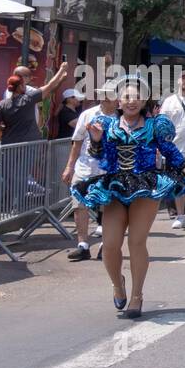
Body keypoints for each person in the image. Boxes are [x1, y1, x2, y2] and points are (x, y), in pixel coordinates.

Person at [76, 78, 185, 317]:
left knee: (136, 242)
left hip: (145, 186)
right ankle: (117, 284)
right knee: (110, 244)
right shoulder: (107, 125)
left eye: (137, 97)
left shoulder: (155, 125)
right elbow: (98, 155)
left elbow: (171, 152)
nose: (132, 101)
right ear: (118, 101)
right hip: (115, 187)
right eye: (127, 97)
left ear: (143, 101)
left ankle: (136, 295)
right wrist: (97, 141)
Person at [60, 86, 117, 261]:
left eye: (109, 95)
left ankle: (104, 246)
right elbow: (77, 142)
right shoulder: (87, 114)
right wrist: (69, 167)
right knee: (79, 205)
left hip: (110, 169)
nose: (105, 98)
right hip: (85, 167)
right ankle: (83, 245)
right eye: (103, 94)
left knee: (108, 208)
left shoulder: (122, 118)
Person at [0, 60, 72, 145]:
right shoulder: (28, 99)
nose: (31, 78)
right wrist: (62, 70)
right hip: (29, 143)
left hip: (9, 143)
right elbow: (49, 87)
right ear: (20, 85)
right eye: (28, 76)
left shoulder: (2, 104)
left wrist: (2, 137)